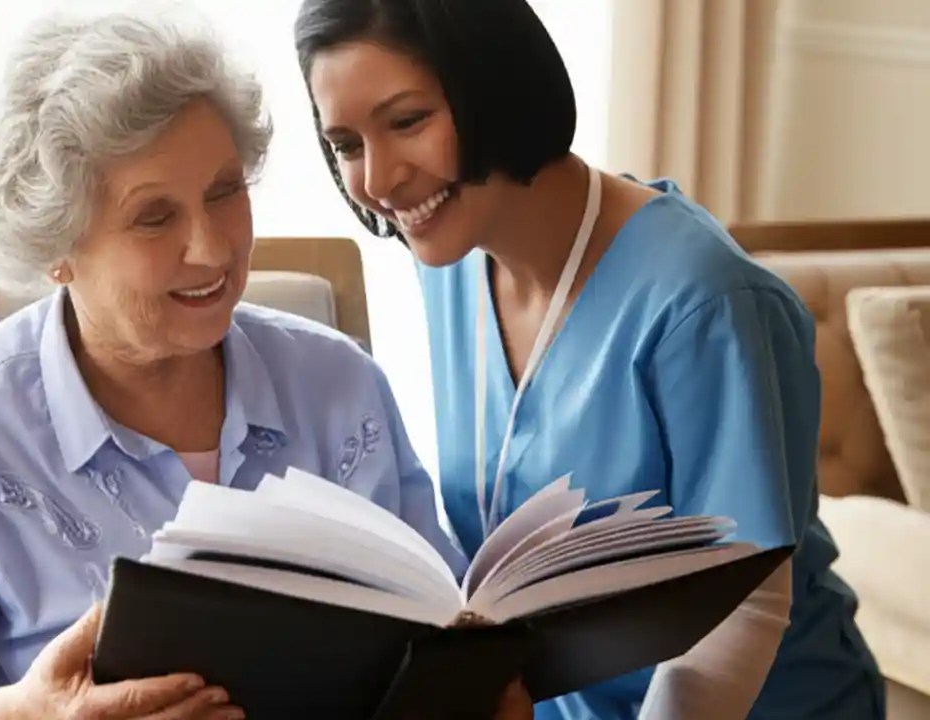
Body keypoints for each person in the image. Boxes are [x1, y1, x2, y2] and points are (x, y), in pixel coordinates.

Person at [0, 10, 475, 720]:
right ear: (54, 248)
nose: (211, 250)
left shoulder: (340, 382)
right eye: (154, 218)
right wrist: (32, 714)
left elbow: (444, 619)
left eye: (223, 192)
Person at [293, 0, 885, 718]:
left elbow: (745, 608)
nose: (379, 180)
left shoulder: (705, 303)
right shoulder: (451, 257)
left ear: (496, 86)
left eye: (408, 121)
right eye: (347, 144)